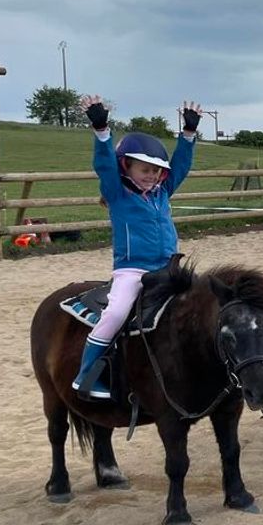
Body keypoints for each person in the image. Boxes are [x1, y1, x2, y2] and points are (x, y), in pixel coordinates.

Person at [71, 95, 201, 400]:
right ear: (126, 167)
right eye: (145, 170)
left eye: (156, 171)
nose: (152, 176)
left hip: (169, 268)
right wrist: (102, 129)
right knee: (116, 313)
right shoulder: (117, 193)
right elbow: (104, 164)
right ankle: (86, 374)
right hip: (133, 270)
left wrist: (188, 135)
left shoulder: (163, 191)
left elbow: (181, 165)